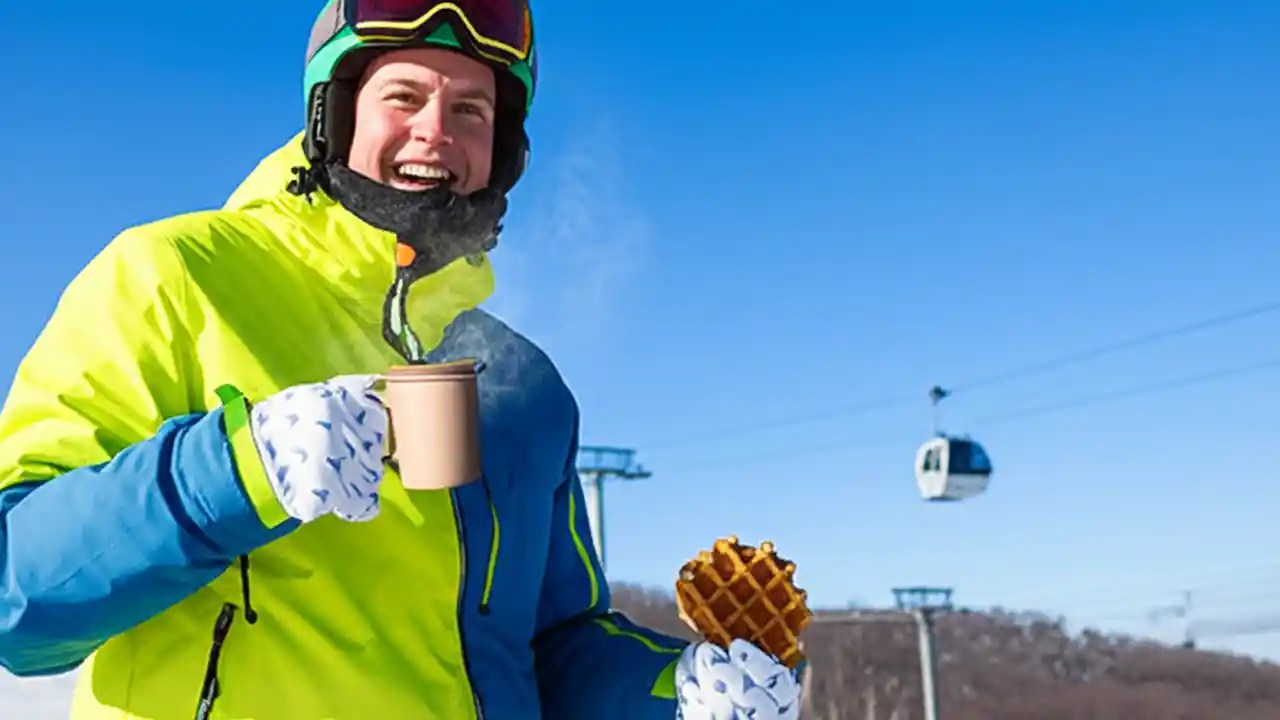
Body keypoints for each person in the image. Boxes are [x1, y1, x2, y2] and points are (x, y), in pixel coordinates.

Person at [0, 2, 801, 718]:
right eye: (404, 96)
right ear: (336, 114)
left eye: (471, 109)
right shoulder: (176, 277)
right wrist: (238, 469)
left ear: (505, 149)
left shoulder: (525, 386)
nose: (436, 132)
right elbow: (17, 605)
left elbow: (552, 646)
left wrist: (672, 693)